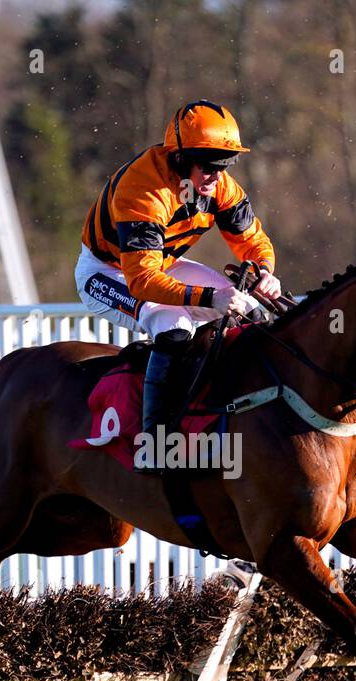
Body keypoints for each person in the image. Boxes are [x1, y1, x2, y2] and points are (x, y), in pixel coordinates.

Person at [75, 99, 282, 449]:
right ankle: (156, 440)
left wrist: (264, 270)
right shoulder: (143, 191)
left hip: (162, 265)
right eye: (208, 166)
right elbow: (141, 280)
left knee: (249, 311)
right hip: (110, 274)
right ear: (179, 157)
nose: (216, 176)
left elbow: (252, 241)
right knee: (174, 329)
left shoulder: (221, 186)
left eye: (225, 165)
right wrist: (210, 297)